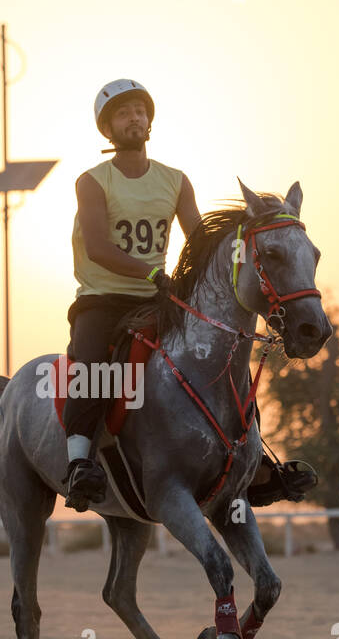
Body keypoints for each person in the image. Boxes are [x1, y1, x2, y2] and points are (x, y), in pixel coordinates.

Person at [63, 78, 316, 511]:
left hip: (157, 297)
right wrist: (151, 274)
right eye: (123, 113)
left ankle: (254, 461)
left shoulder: (175, 180)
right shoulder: (91, 182)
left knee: (218, 359)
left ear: (149, 120)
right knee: (89, 364)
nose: (134, 118)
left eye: (140, 110)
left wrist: (246, 247)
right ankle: (78, 463)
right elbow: (100, 248)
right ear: (108, 128)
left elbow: (198, 240)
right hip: (103, 298)